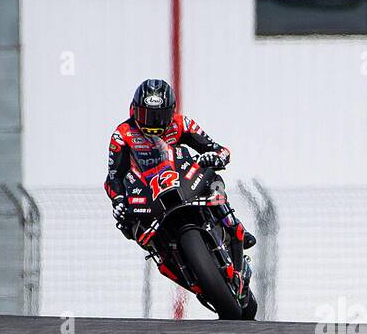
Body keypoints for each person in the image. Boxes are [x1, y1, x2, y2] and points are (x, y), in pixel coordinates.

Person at [104, 78, 255, 250]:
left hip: (182, 179)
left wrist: (216, 157)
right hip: (147, 190)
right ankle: (159, 251)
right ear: (135, 110)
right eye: (146, 115)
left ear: (171, 111)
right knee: (126, 221)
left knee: (213, 178)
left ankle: (232, 224)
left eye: (159, 116)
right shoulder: (122, 134)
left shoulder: (182, 123)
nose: (153, 123)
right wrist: (118, 201)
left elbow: (218, 149)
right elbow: (114, 176)